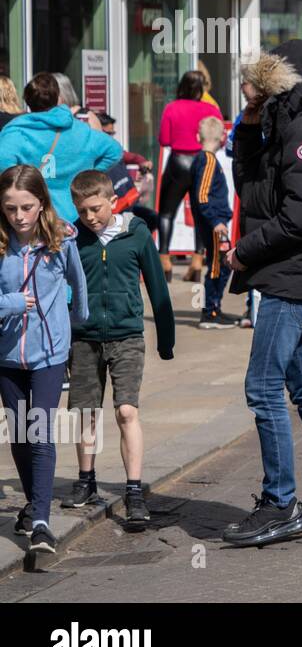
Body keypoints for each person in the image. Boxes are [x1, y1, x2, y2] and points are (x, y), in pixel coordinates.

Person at [222, 40, 302, 547]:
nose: (255, 89)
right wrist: (253, 119)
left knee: (263, 388)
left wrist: (245, 252)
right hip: (294, 274)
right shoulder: (289, 125)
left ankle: (280, 504)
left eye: (265, 82)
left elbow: (297, 218)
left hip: (289, 276)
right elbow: (251, 186)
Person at [64, 170, 174, 529]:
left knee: (127, 411)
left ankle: (134, 490)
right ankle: (86, 481)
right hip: (83, 337)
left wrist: (166, 339)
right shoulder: (73, 240)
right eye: (82, 211)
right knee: (85, 414)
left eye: (96, 208)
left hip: (127, 335)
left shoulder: (136, 234)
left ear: (113, 201)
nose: (90, 217)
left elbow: (157, 287)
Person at [0, 165, 88, 554]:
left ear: (42, 204)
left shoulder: (62, 239)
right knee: (19, 433)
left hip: (49, 355)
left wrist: (70, 329)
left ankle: (40, 523)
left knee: (41, 431)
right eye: (10, 208)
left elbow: (78, 287)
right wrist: (12, 304)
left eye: (26, 207)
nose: (19, 216)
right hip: (6, 355)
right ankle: (34, 505)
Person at [0, 73, 123, 225]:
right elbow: (115, 151)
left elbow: (3, 166)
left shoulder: (16, 133)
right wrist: (86, 175)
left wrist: (23, 184)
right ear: (59, 98)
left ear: (27, 101)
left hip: (34, 220)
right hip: (76, 218)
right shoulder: (81, 131)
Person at [155, 70, 222, 279]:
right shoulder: (211, 109)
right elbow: (220, 136)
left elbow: (164, 139)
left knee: (166, 212)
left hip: (178, 162)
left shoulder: (171, 108)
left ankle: (164, 260)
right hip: (202, 161)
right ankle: (197, 260)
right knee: (201, 212)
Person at [190, 116, 237, 329]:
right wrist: (216, 220)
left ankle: (214, 307)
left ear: (198, 136)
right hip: (214, 225)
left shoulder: (203, 160)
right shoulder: (208, 161)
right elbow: (202, 194)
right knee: (219, 266)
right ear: (222, 138)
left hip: (212, 223)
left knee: (221, 265)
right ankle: (210, 311)